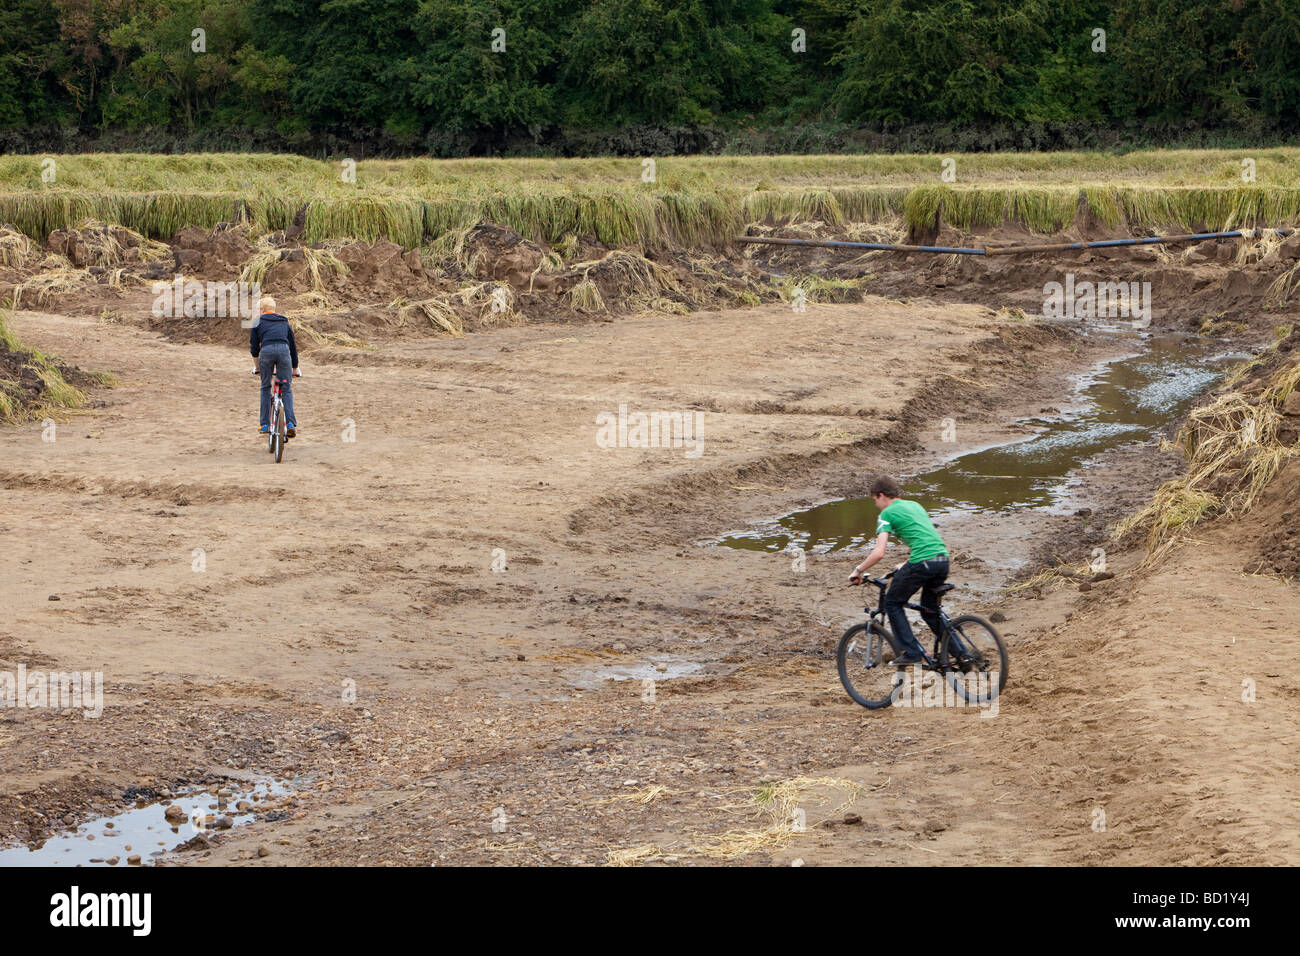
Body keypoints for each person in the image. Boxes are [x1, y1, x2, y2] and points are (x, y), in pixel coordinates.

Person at [848, 475, 949, 666]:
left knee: (892, 602)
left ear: (881, 495)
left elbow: (879, 553)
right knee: (930, 611)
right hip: (942, 559)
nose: (876, 505)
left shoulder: (886, 514)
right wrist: (906, 563)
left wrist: (858, 570)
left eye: (875, 500)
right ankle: (962, 655)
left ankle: (911, 652)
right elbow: (924, 538)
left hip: (923, 561)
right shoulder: (915, 505)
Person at [250, 296, 299, 436]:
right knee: (286, 388)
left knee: (265, 387)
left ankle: (264, 424)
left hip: (266, 352)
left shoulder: (257, 322)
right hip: (284, 352)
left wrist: (257, 367)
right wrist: (294, 369)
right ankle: (290, 423)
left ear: (262, 310)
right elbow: (293, 347)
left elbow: (254, 348)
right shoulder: (284, 322)